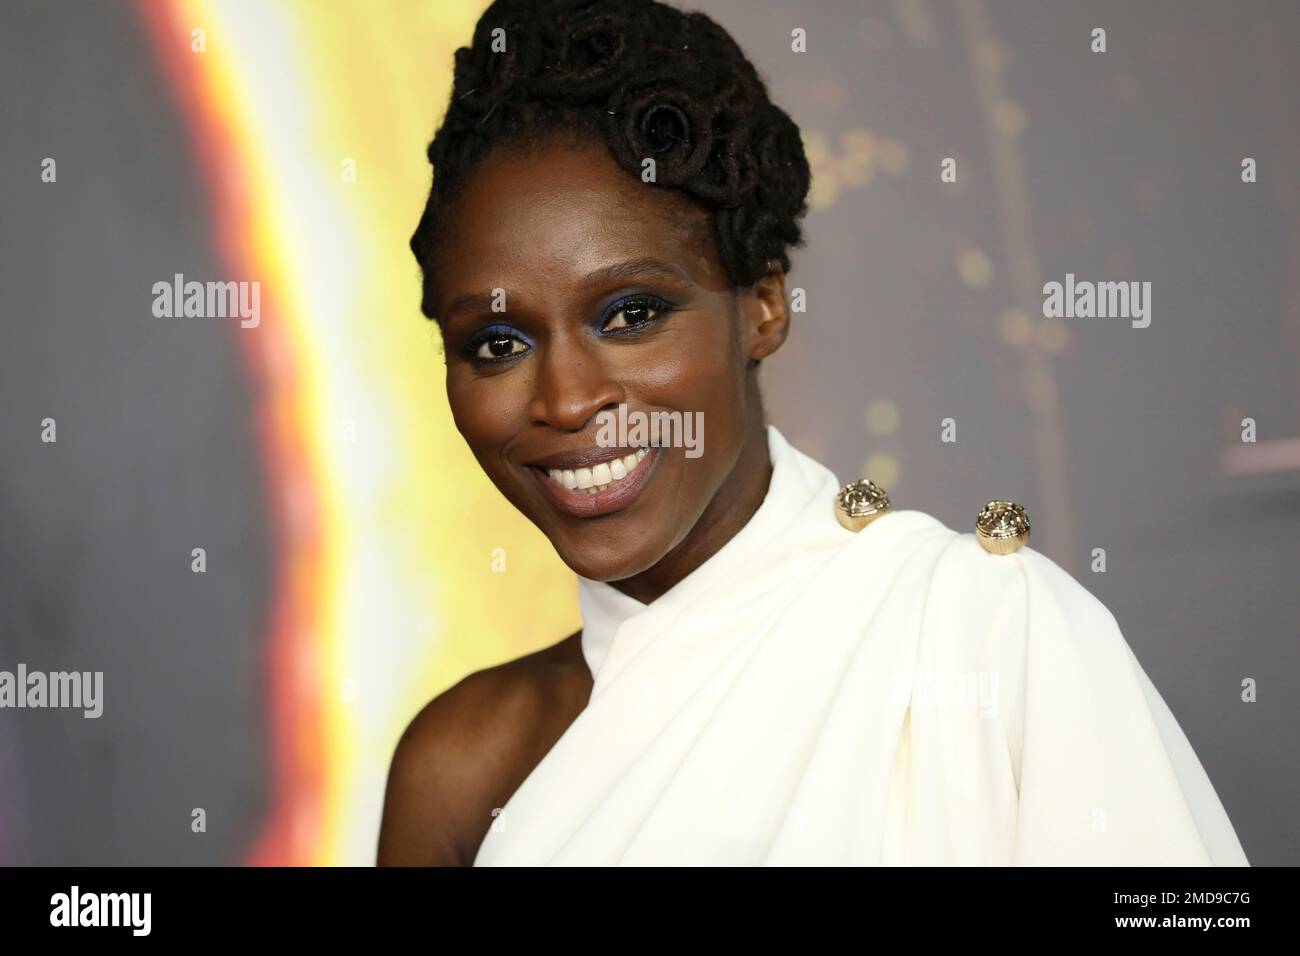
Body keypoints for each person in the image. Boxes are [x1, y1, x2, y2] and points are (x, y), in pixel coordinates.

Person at [376, 0, 1248, 866]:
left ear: (762, 305)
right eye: (498, 343)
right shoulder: (460, 764)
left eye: (631, 313)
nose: (565, 401)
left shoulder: (986, 632)